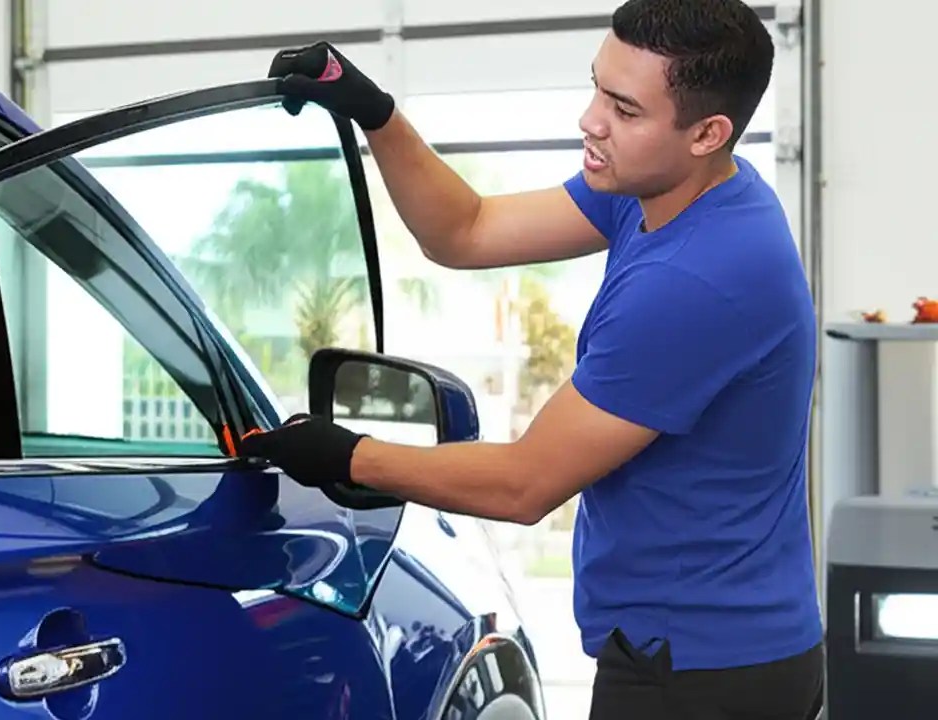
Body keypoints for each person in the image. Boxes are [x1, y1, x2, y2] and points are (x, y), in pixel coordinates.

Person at [238, 1, 825, 718]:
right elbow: (467, 230)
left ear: (708, 132)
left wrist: (348, 456)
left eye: (624, 108)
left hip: (703, 673)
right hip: (708, 645)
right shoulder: (673, 192)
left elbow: (523, 485)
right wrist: (377, 114)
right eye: (597, 88)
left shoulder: (699, 278)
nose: (591, 120)